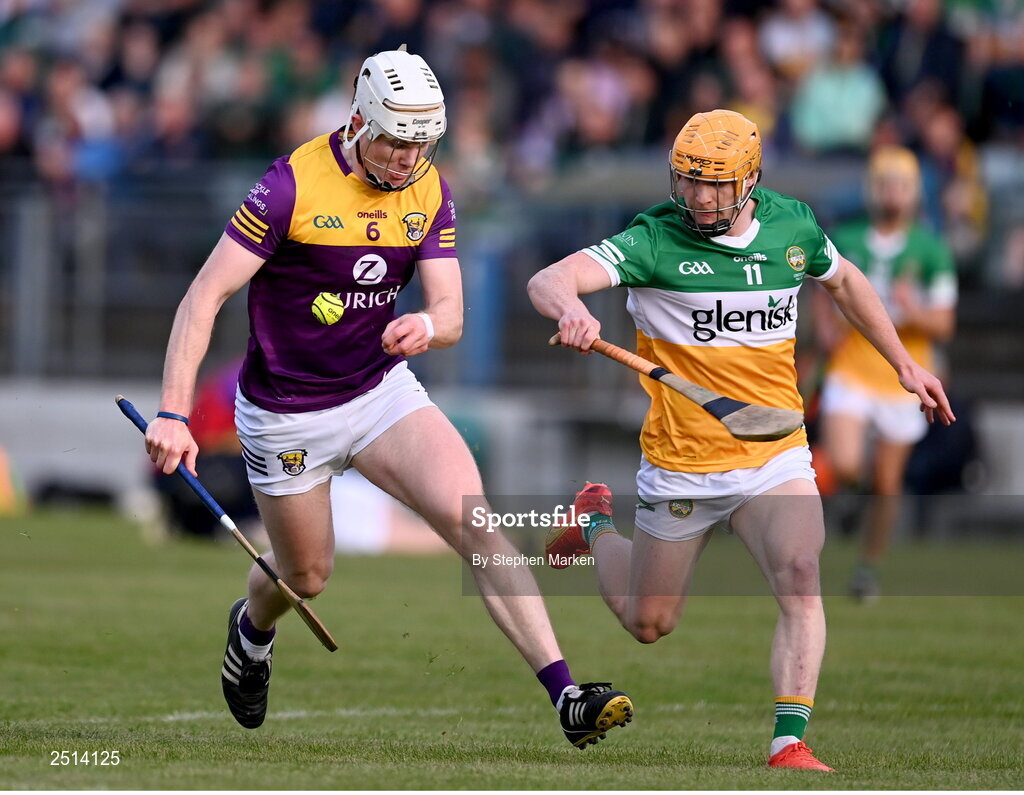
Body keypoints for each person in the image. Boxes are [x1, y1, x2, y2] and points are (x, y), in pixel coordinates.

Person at [143, 47, 632, 748]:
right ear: (359, 121)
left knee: (478, 526)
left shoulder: (429, 189)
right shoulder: (290, 186)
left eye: (421, 143)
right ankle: (250, 631)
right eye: (396, 142)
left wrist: (427, 326)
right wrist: (172, 410)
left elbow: (452, 312)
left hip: (379, 394)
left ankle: (567, 695)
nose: (408, 159)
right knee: (306, 575)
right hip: (285, 414)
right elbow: (204, 297)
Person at [528, 109, 955, 771]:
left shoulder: (794, 227)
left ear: (750, 180)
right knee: (649, 622)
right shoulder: (653, 240)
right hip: (681, 463)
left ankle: (789, 740)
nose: (701, 196)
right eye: (691, 180)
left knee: (801, 574)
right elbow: (547, 278)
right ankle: (592, 524)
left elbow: (843, 281)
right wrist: (572, 307)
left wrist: (902, 360)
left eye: (718, 184)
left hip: (772, 450)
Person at [814, 146, 957, 601]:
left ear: (914, 192)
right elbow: (821, 283)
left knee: (888, 483)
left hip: (904, 375)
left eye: (901, 184)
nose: (892, 193)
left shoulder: (931, 248)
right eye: (885, 183)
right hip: (852, 366)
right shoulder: (848, 235)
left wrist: (913, 310)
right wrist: (823, 327)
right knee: (846, 461)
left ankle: (867, 569)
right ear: (872, 188)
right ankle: (851, 497)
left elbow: (944, 323)